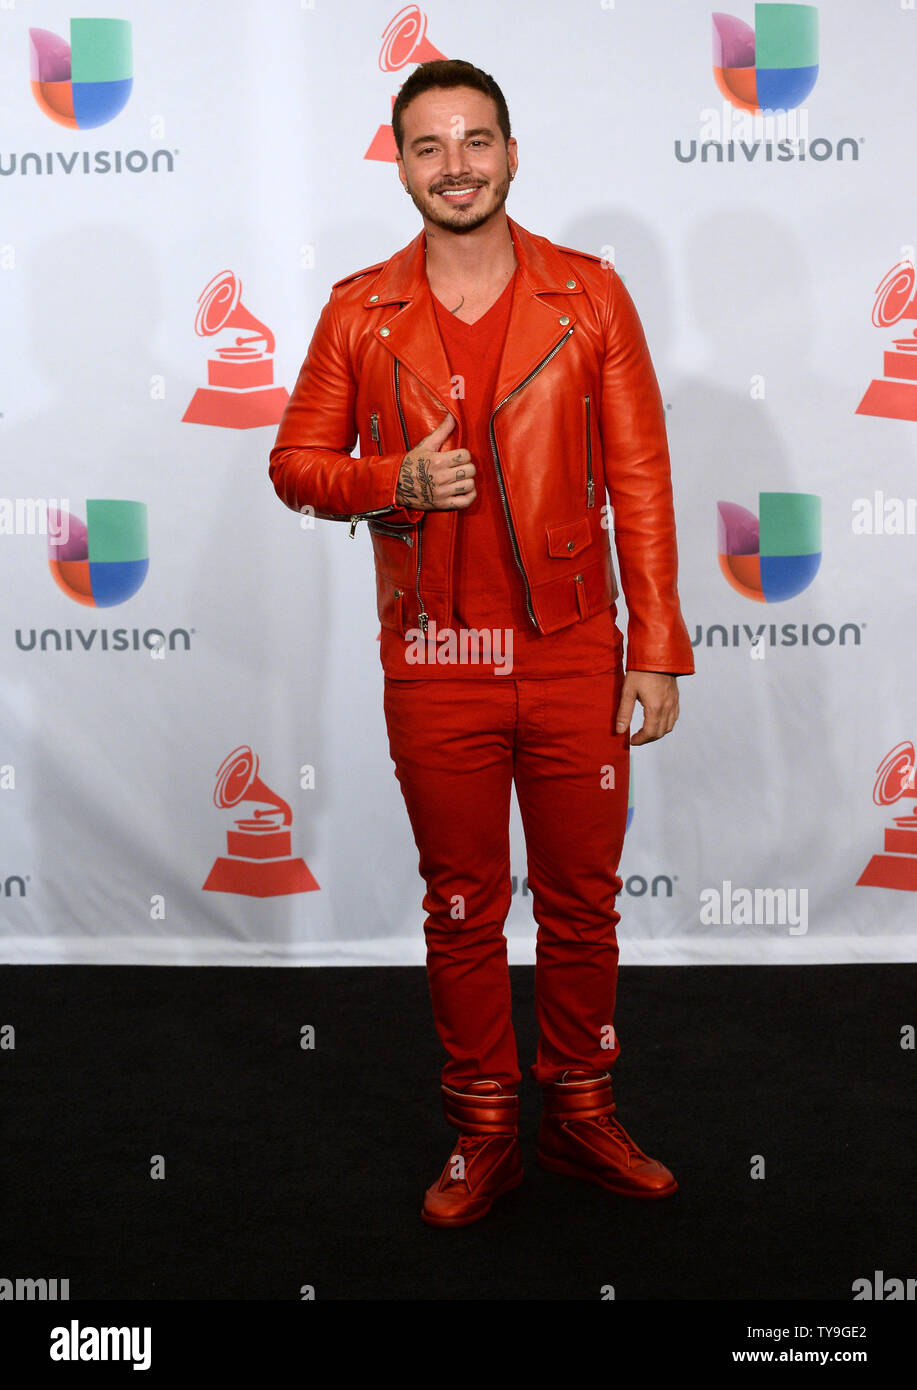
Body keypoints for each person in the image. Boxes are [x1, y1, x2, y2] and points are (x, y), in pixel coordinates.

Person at [269, 58, 694, 1228]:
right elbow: (293, 465)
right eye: (428, 146)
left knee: (580, 900)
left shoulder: (589, 295)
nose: (454, 166)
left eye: (474, 141)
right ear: (398, 163)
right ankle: (483, 1131)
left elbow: (642, 479)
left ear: (511, 153)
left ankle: (584, 1113)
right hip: (433, 655)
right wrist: (388, 481)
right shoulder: (360, 308)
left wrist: (653, 644)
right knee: (460, 902)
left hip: (573, 648)